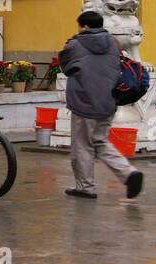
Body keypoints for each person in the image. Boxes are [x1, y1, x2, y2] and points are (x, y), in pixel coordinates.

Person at [59, 10, 143, 200]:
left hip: (84, 102)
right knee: (100, 141)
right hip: (108, 101)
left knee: (82, 145)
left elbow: (65, 66)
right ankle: (129, 173)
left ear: (85, 27)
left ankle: (85, 187)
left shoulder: (75, 44)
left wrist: (71, 43)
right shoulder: (114, 43)